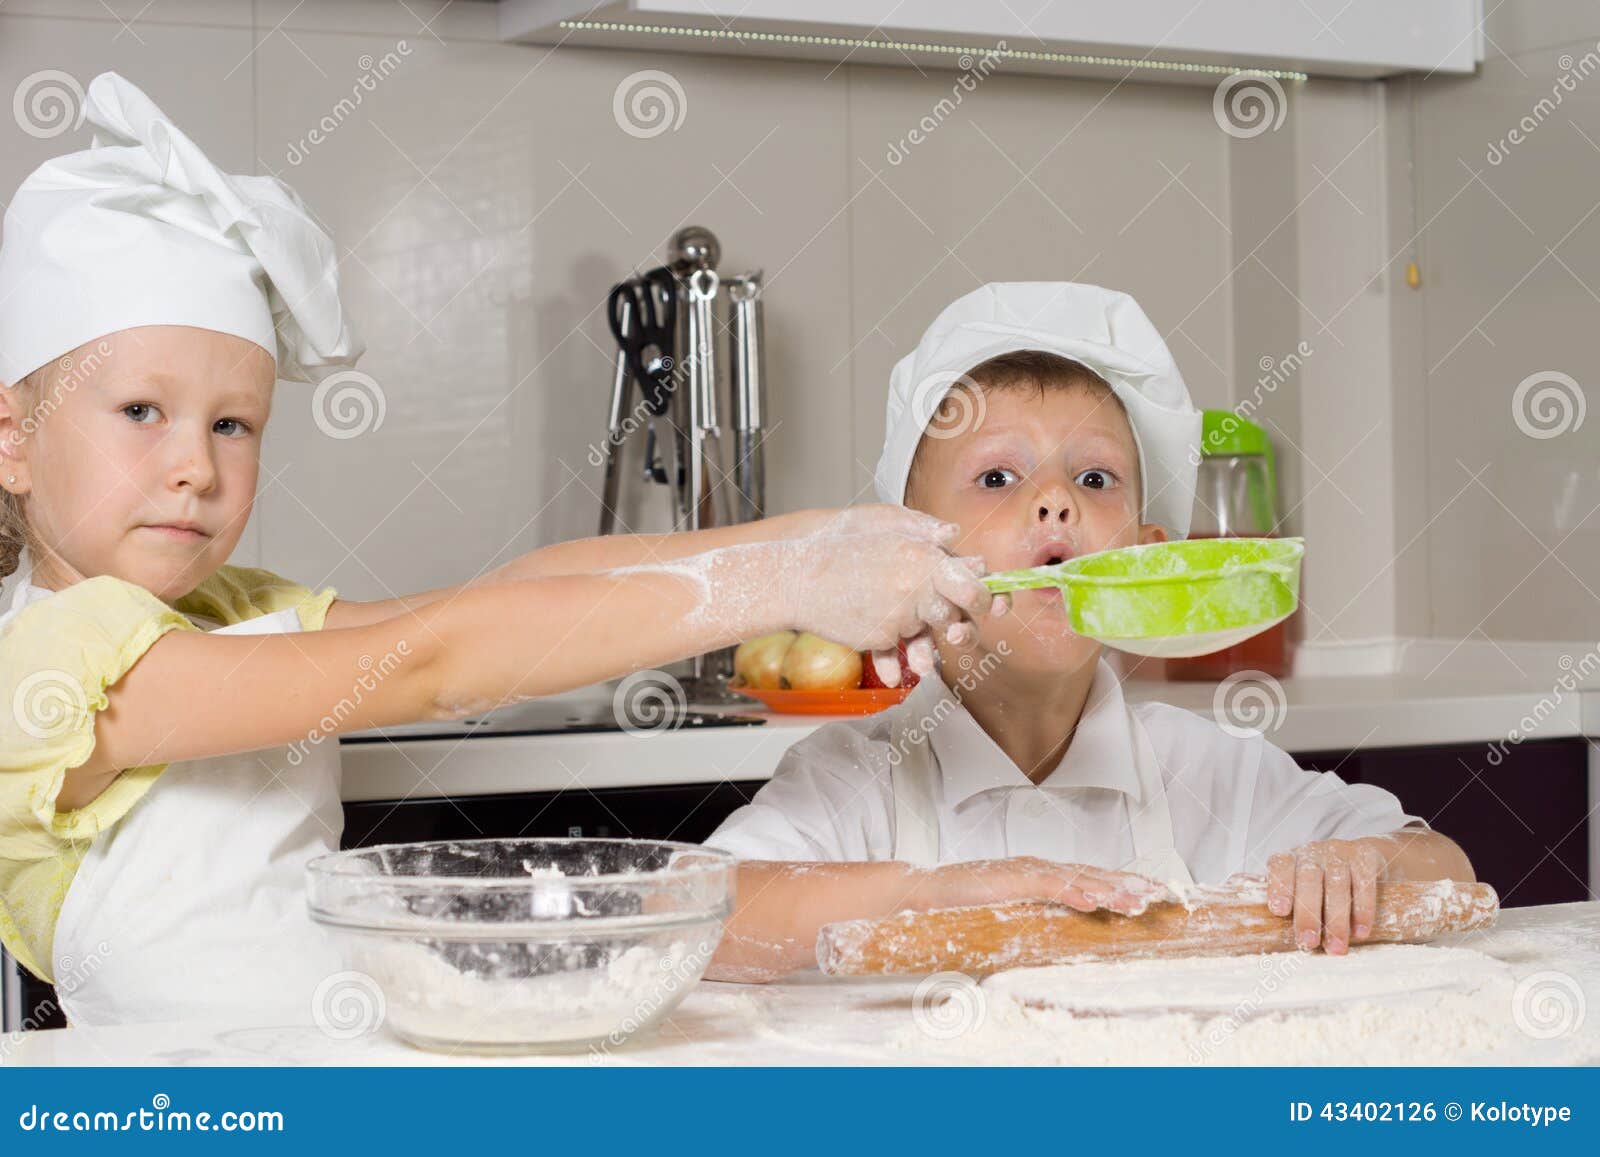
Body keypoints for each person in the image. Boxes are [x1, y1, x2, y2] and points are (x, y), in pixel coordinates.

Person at [0, 74, 996, 1025]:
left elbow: (510, 591)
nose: (196, 468)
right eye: (140, 410)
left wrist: (812, 541)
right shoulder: (42, 663)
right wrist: (781, 581)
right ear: (12, 439)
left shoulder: (220, 610)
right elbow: (436, 663)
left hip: (315, 1060)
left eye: (233, 424)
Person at [702, 282, 1475, 982]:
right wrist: (919, 896)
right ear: (910, 554)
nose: (1055, 502)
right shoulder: (856, 782)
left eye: (1094, 478)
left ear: (1143, 561)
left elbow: (1446, 868)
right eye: (999, 477)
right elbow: (697, 919)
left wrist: (1356, 867)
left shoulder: (1209, 773)